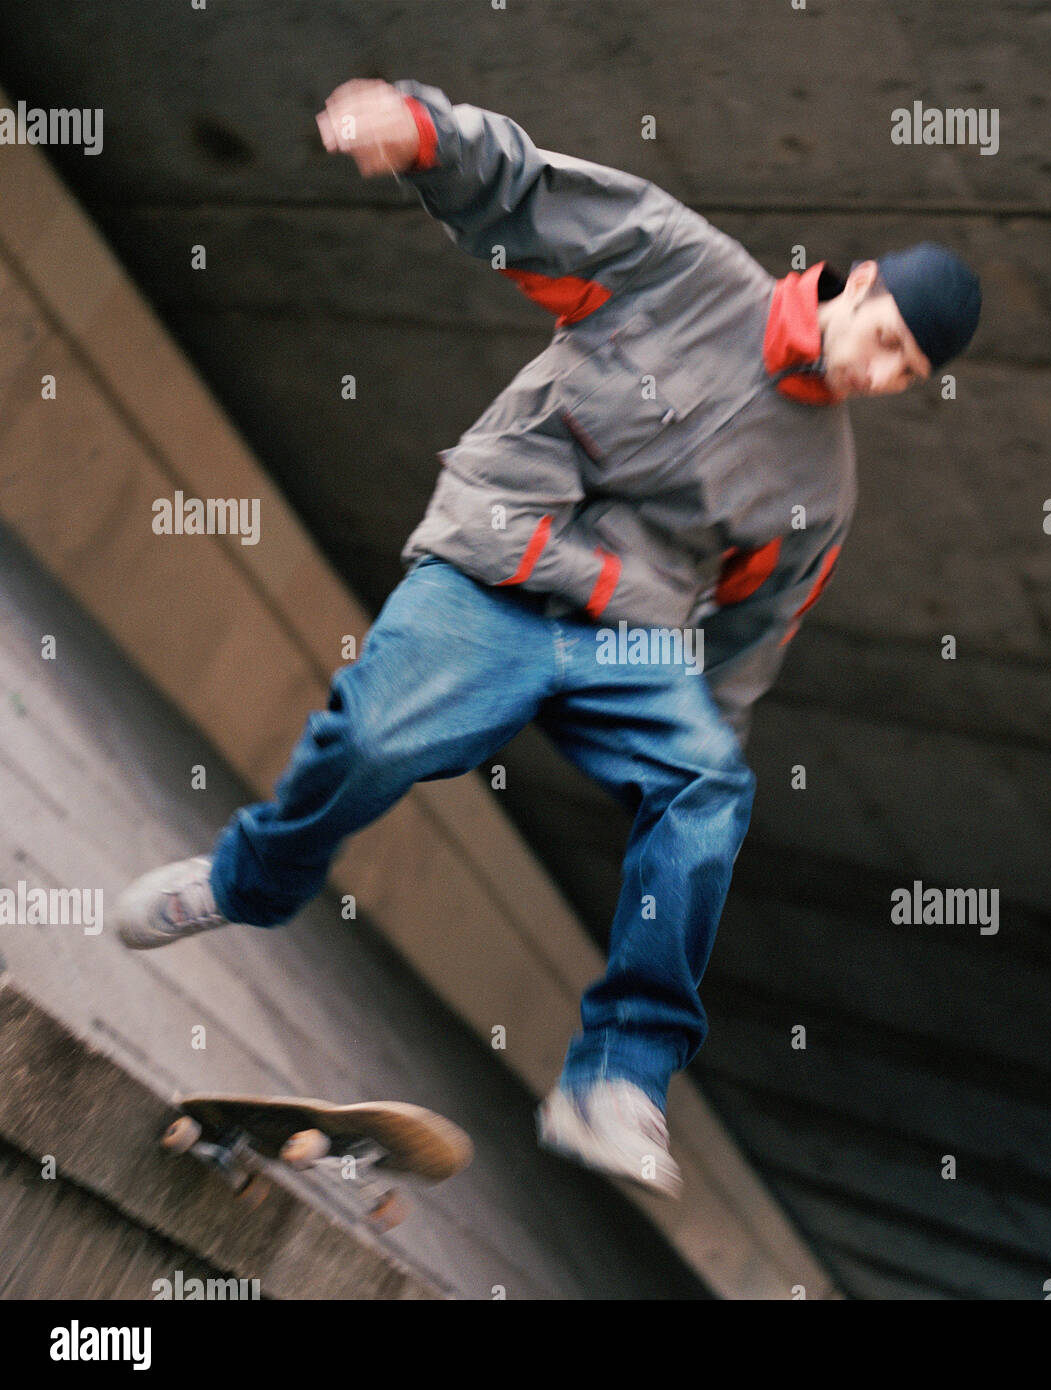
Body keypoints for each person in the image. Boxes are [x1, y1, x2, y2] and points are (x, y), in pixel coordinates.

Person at [112, 78, 981, 1198]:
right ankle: (245, 881)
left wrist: (679, 763)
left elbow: (754, 634)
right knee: (372, 741)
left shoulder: (825, 485)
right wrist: (422, 132)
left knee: (710, 787)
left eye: (905, 373)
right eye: (884, 337)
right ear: (854, 285)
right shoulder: (679, 260)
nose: (877, 371)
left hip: (630, 641)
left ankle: (616, 1079)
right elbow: (523, 194)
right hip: (498, 568)